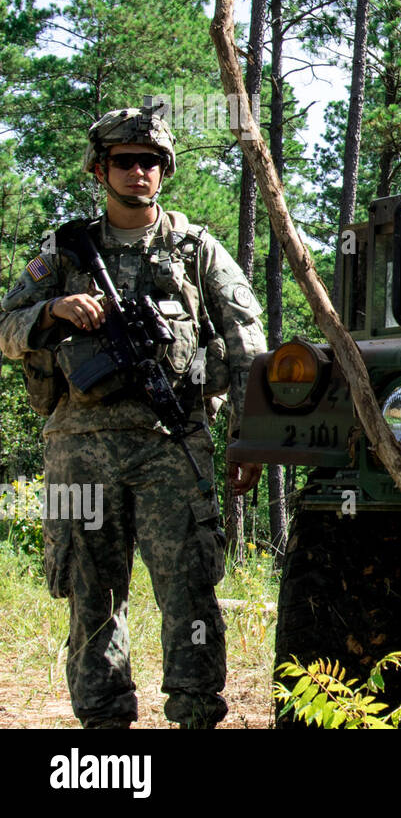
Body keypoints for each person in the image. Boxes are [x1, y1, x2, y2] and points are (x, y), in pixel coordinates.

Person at [0, 107, 267, 729]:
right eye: (125, 161)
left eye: (151, 162)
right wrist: (53, 311)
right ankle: (104, 730)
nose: (139, 172)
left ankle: (197, 713)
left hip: (171, 446)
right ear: (101, 170)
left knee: (191, 592)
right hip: (76, 452)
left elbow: (246, 341)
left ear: (164, 172)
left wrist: (247, 438)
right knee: (90, 597)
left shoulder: (195, 248)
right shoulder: (62, 254)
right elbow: (5, 330)